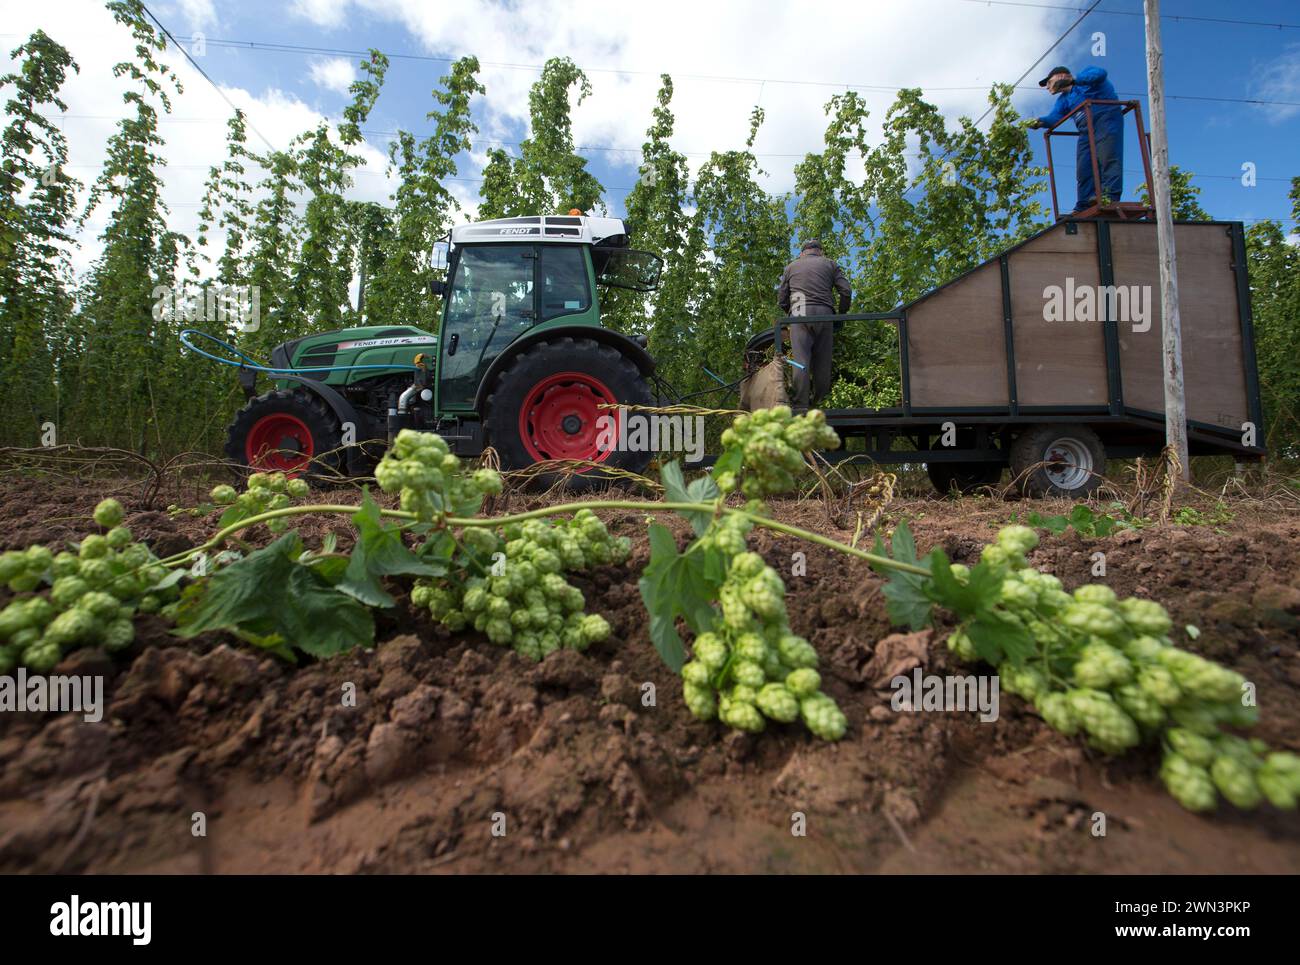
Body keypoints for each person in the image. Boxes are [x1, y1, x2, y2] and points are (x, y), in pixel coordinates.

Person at [1028, 65, 1124, 213]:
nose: (1047, 87)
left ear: (1060, 76)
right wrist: (1040, 122)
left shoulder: (1084, 76)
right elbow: (1054, 117)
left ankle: (1109, 196)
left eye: (1048, 82)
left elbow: (1100, 73)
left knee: (1108, 157)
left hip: (1106, 120)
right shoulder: (1063, 99)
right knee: (1084, 167)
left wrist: (1073, 80)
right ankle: (1083, 204)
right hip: (1085, 131)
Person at [777, 239, 851, 411]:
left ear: (802, 253)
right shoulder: (830, 264)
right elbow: (846, 291)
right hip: (825, 314)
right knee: (823, 363)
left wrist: (793, 312)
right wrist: (841, 314)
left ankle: (801, 406)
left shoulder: (791, 267)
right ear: (820, 252)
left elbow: (781, 299)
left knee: (801, 360)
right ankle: (821, 404)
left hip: (799, 312)